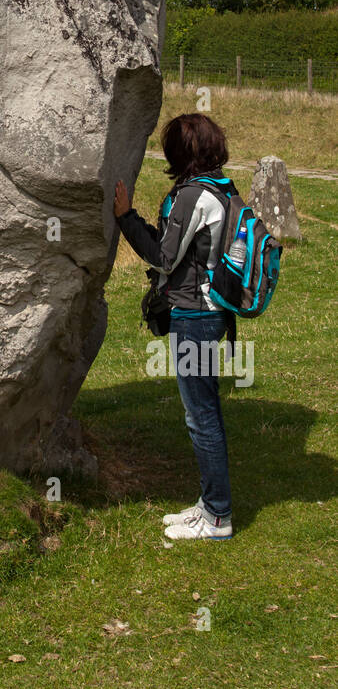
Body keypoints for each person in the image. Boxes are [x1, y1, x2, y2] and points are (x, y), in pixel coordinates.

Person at [113, 113, 234, 541]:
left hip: (196, 317)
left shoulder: (191, 195)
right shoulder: (220, 186)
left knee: (201, 417)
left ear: (181, 153)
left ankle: (217, 516)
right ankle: (208, 505)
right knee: (205, 412)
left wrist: (127, 217)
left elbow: (163, 257)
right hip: (209, 312)